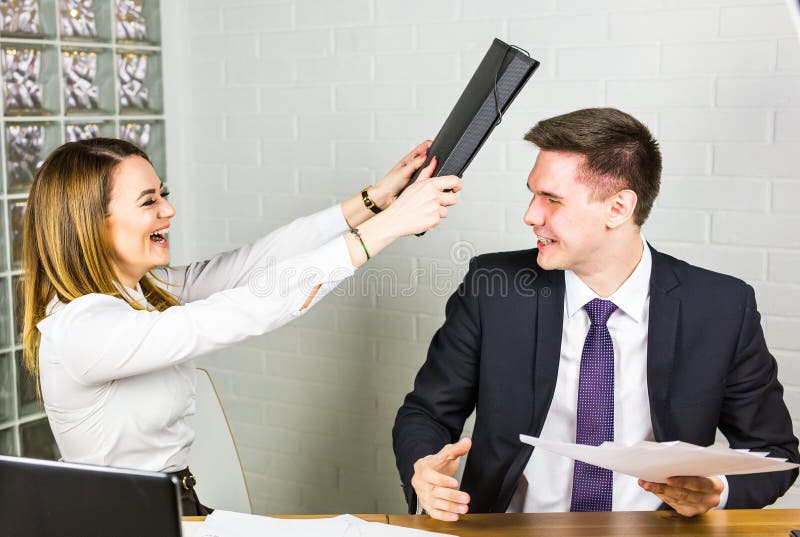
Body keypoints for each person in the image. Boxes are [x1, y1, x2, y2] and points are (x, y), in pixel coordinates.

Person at [392, 108, 799, 520]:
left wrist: (716, 491)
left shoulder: (721, 306)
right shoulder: (493, 287)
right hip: (513, 529)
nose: (531, 215)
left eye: (552, 199)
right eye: (533, 194)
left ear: (619, 208)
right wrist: (423, 469)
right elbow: (425, 413)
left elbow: (774, 451)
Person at [21, 137, 461, 515]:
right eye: (149, 201)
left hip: (174, 505)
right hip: (116, 522)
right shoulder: (83, 328)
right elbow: (241, 309)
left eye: (163, 193)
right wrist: (387, 228)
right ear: (90, 224)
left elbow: (250, 265)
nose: (169, 209)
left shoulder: (143, 292)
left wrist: (373, 202)